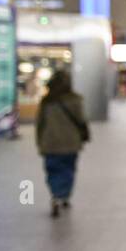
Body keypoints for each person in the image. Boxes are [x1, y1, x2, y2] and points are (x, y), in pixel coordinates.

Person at [35, 69, 90, 218]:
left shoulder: (46, 101)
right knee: (68, 169)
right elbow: (81, 120)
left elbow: (40, 124)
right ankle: (64, 195)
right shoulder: (75, 99)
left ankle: (55, 195)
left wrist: (39, 142)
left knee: (52, 170)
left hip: (50, 143)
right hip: (70, 143)